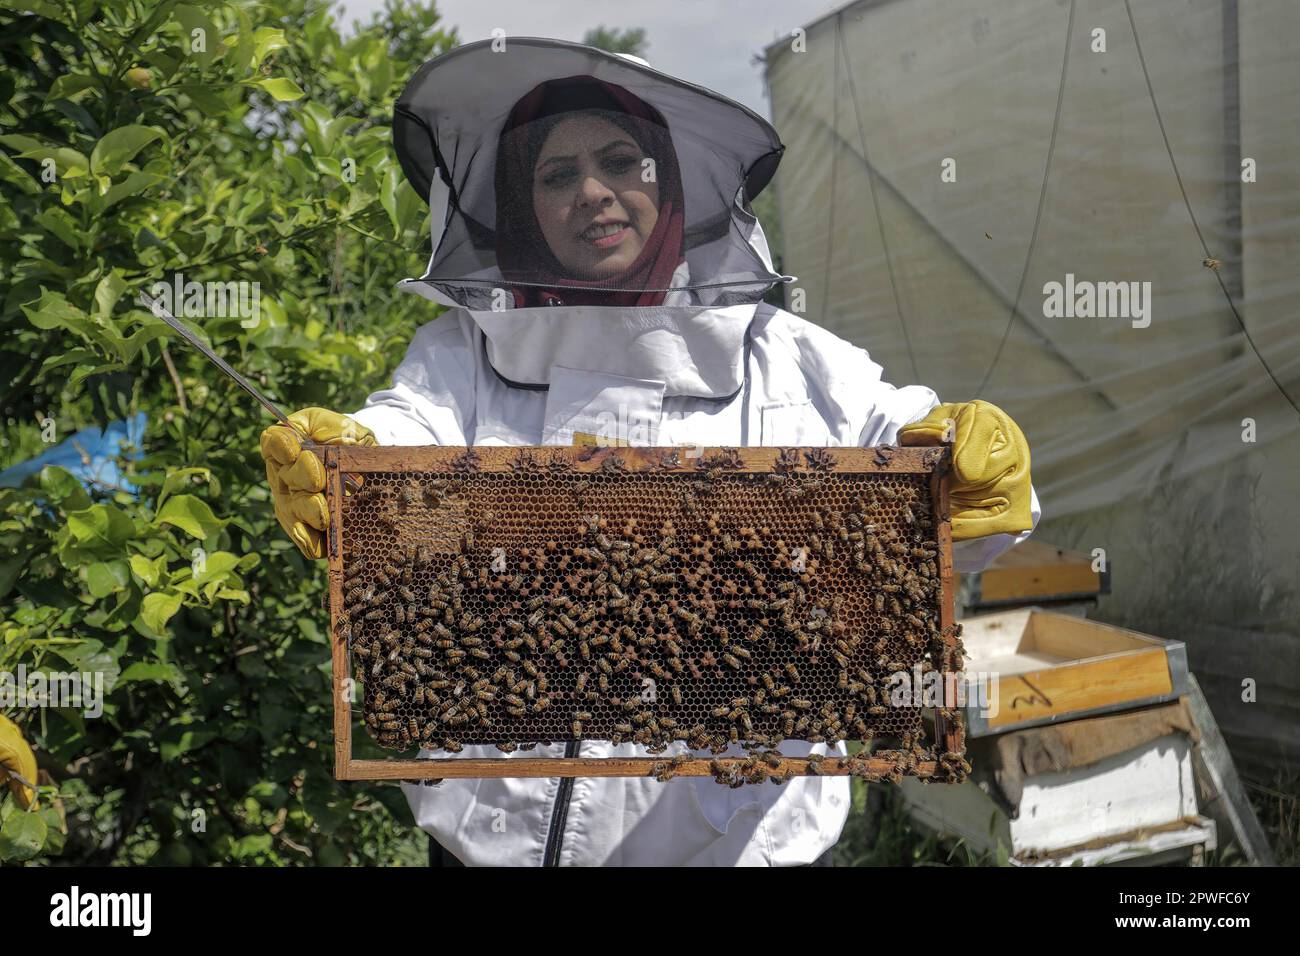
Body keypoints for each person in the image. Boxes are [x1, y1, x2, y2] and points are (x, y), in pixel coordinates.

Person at [259, 38, 1039, 866]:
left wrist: (966, 466)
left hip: (731, 849)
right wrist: (347, 461)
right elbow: (402, 435)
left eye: (620, 162)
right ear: (522, 208)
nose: (593, 192)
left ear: (667, 181)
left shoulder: (786, 358)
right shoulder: (463, 355)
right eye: (555, 175)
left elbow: (918, 471)